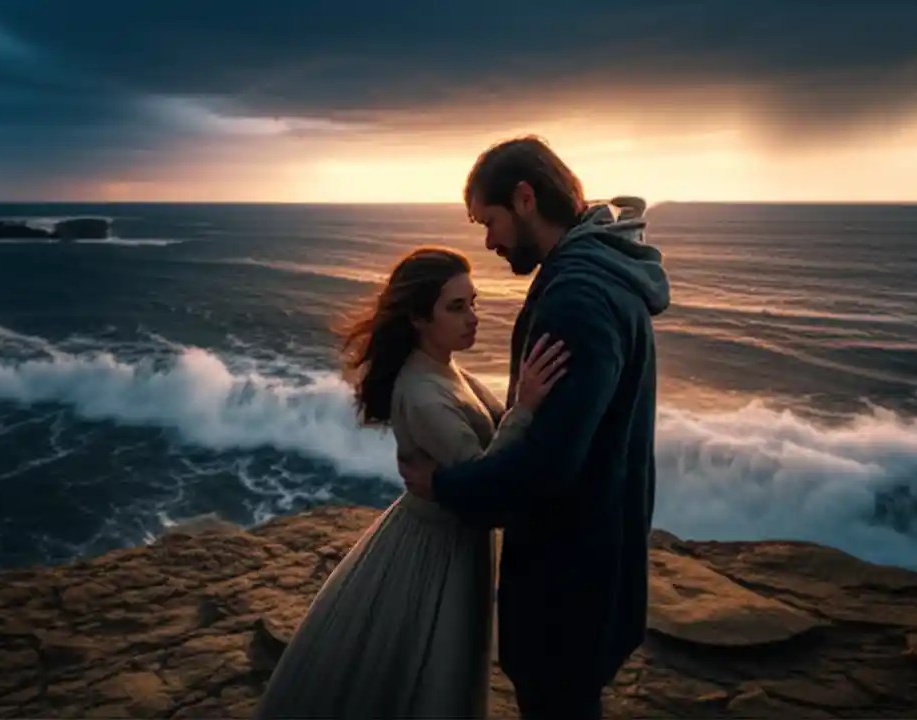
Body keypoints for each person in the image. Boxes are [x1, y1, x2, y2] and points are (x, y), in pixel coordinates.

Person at [399, 136, 670, 720]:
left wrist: (442, 486)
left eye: (489, 221)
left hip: (566, 585)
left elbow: (546, 467)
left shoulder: (576, 299)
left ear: (524, 198)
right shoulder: (607, 274)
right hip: (601, 563)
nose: (489, 241)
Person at [254, 247, 569, 719]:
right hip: (437, 551)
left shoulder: (443, 365)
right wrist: (525, 408)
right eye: (456, 307)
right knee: (433, 674)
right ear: (420, 319)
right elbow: (485, 480)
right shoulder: (422, 392)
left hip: (451, 539)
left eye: (473, 302)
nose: (473, 318)